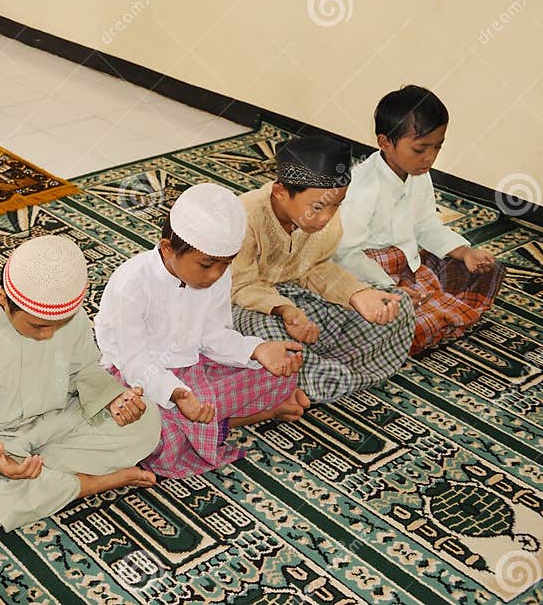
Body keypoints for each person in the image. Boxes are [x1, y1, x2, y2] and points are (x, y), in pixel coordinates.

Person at [0, 235, 161, 531]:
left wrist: (114, 399)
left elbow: (85, 371)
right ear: (3, 300)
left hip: (58, 421)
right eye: (38, 326)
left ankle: (42, 479)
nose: (48, 335)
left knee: (147, 421)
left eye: (58, 325)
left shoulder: (72, 317)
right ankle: (93, 483)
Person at [94, 183, 308, 478]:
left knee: (277, 373)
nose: (216, 274)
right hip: (139, 378)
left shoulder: (217, 274)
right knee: (146, 427)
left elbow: (213, 335)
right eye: (207, 265)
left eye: (225, 265)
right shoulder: (132, 283)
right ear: (168, 249)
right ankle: (242, 418)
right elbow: (134, 361)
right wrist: (178, 394)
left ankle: (205, 424)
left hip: (196, 370)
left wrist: (257, 350)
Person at [231, 136, 415, 402]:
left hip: (301, 303)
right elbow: (240, 286)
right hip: (252, 306)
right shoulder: (244, 216)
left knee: (398, 304)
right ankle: (318, 375)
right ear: (280, 192)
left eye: (336, 204)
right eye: (317, 207)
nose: (327, 217)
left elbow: (314, 268)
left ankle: (311, 377)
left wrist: (357, 294)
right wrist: (286, 311)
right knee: (265, 331)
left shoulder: (325, 220)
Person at [335, 85, 505, 353]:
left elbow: (426, 226)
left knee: (486, 269)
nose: (430, 157)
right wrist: (389, 289)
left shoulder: (418, 174)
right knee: (390, 317)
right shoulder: (363, 187)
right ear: (384, 143)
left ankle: (420, 318)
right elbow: (345, 254)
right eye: (420, 149)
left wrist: (464, 252)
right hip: (371, 269)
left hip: (408, 260)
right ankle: (420, 320)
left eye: (437, 147)